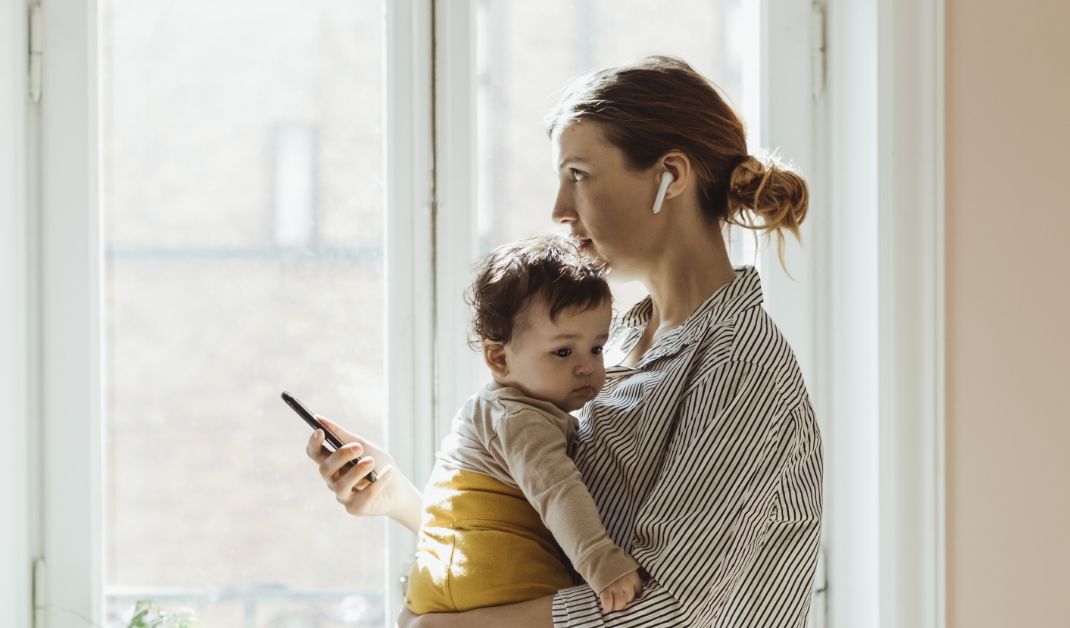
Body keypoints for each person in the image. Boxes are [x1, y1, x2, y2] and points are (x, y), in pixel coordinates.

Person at [306, 56, 822, 627]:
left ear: (668, 176)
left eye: (578, 174)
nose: (558, 210)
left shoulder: (738, 365)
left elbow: (671, 609)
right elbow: (553, 537)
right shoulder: (616, 344)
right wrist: (400, 501)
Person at [405, 234, 642, 615]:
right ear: (498, 358)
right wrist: (601, 560)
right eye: (563, 351)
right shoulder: (521, 419)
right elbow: (557, 490)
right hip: (495, 576)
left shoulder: (495, 410)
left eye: (596, 348)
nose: (587, 366)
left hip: (443, 578)